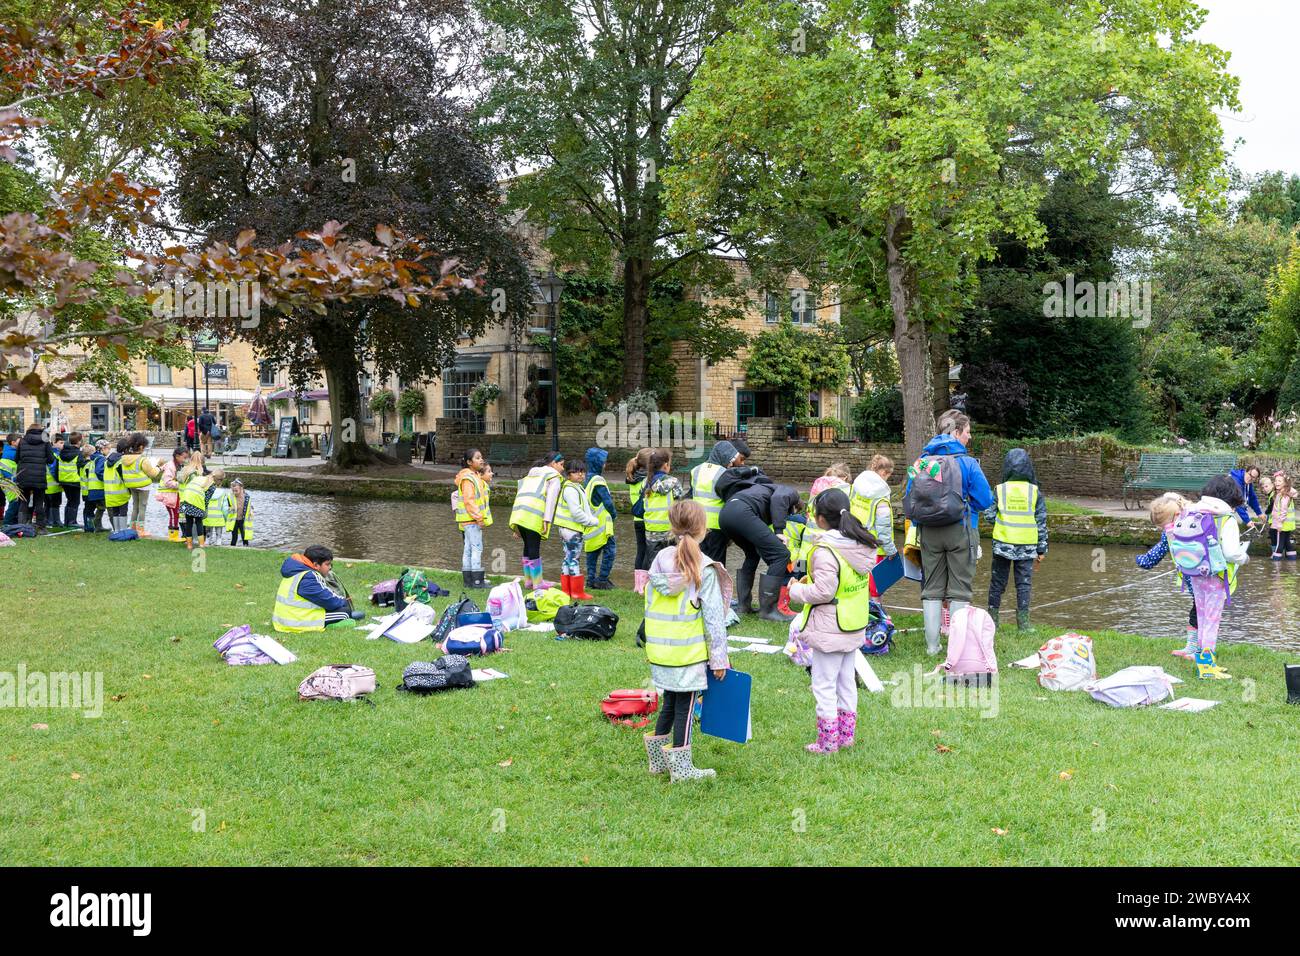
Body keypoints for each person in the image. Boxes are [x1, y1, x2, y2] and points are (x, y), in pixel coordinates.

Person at [642, 500, 732, 782]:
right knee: (686, 706)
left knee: (670, 701)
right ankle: (682, 768)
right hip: (689, 653)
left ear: (672, 526)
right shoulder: (703, 568)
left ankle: (658, 761)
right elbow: (714, 620)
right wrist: (719, 659)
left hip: (660, 652)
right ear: (703, 529)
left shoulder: (658, 561)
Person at [786, 488, 877, 754]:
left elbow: (824, 592)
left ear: (820, 518)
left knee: (824, 684)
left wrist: (795, 591)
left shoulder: (826, 550)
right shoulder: (861, 545)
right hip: (853, 622)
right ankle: (846, 736)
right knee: (846, 681)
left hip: (830, 626)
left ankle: (827, 743)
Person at [905, 410, 994, 655]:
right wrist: (966, 506)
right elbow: (985, 499)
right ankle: (957, 648)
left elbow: (910, 498)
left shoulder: (922, 461)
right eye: (967, 432)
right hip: (961, 529)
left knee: (932, 588)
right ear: (956, 432)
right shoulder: (967, 463)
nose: (969, 437)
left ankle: (932, 647)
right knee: (960, 589)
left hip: (929, 532)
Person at [1178, 476, 1250, 678]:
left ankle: (1202, 660)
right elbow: (1231, 553)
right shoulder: (1226, 519)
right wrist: (1244, 557)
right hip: (1216, 576)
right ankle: (1207, 669)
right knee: (1211, 620)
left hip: (1194, 572)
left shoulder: (1193, 512)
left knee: (1202, 617)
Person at [716, 468, 802, 622]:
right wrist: (779, 530)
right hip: (742, 512)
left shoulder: (760, 492)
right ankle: (769, 611)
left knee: (752, 554)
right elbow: (779, 499)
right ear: (795, 505)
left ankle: (744, 606)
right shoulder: (789, 492)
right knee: (781, 555)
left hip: (726, 514)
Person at [981, 448, 1048, 630]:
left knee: (997, 583)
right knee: (1023, 584)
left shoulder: (1000, 490)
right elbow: (1041, 523)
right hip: (1027, 546)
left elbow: (988, 516)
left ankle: (992, 621)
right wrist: (1041, 550)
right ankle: (1024, 624)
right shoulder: (1035, 492)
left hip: (1002, 545)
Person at [1135, 492, 1198, 657]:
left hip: (1207, 579)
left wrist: (1144, 561)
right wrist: (1144, 561)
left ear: (1176, 515)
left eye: (1163, 526)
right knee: (1196, 612)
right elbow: (1160, 549)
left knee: (1203, 614)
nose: (1163, 530)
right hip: (1192, 580)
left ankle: (1201, 650)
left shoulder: (1196, 523)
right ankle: (1192, 647)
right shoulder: (1171, 530)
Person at [272, 545, 365, 632]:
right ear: (316, 565)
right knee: (345, 612)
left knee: (341, 607)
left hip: (287, 619)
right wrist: (344, 602)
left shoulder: (297, 570)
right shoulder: (309, 577)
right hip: (295, 622)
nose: (330, 568)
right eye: (327, 564)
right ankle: (333, 625)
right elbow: (329, 601)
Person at [508, 452, 565, 591]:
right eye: (561, 465)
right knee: (534, 547)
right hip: (534, 516)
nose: (563, 468)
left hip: (519, 513)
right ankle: (538, 582)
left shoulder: (531, 474)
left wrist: (516, 525)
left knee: (527, 546)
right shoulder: (553, 477)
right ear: (553, 464)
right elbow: (551, 500)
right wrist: (547, 520)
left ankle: (528, 580)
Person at [690, 439, 749, 563]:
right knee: (716, 564)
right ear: (724, 456)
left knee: (699, 561)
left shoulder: (695, 470)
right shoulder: (724, 473)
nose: (730, 463)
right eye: (730, 459)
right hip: (716, 525)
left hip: (697, 523)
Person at [850, 455, 897, 594]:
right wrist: (891, 550)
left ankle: (862, 612)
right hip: (875, 547)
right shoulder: (881, 497)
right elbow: (883, 529)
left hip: (855, 541)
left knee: (858, 585)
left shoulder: (856, 487)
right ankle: (876, 613)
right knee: (875, 588)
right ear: (883, 473)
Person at [555, 459, 600, 599]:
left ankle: (567, 591)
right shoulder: (571, 489)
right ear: (568, 475)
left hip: (567, 528)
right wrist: (592, 521)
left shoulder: (573, 487)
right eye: (575, 472)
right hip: (571, 529)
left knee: (568, 558)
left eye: (582, 471)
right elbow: (576, 512)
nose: (580, 475)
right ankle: (576, 592)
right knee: (574, 558)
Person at [453, 448, 492, 589]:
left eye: (481, 457)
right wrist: (479, 518)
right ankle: (477, 581)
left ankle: (469, 581)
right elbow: (470, 501)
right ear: (469, 462)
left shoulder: (473, 476)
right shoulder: (469, 478)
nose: (481, 460)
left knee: (468, 549)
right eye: (477, 458)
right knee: (476, 549)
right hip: (471, 520)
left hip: (467, 520)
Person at [642, 449, 687, 570]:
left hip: (651, 530)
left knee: (653, 564)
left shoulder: (646, 483)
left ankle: (651, 587)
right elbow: (680, 506)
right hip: (669, 530)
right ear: (666, 465)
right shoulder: (673, 482)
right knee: (671, 563)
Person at [583, 447, 618, 590]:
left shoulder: (587, 479)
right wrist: (614, 514)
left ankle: (590, 580)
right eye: (603, 462)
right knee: (610, 551)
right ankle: (602, 579)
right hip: (602, 526)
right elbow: (607, 502)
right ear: (597, 463)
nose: (605, 465)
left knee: (592, 553)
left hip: (590, 525)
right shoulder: (598, 480)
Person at [15, 423, 55, 531]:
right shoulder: (45, 441)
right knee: (39, 502)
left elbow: (16, 458)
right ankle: (41, 527)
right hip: (39, 475)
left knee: (23, 501)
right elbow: (51, 459)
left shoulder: (22, 440)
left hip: (23, 475)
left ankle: (21, 526)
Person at [120, 433, 162, 536]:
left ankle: (132, 528)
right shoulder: (142, 459)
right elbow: (152, 473)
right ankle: (141, 530)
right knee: (143, 506)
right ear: (141, 446)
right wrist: (159, 466)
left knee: (135, 506)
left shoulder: (125, 458)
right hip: (143, 485)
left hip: (131, 485)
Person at [626, 447, 653, 593]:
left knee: (640, 550)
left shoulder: (632, 477)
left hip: (637, 519)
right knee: (648, 552)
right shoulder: (647, 480)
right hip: (647, 519)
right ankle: (644, 586)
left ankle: (637, 586)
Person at [155, 447, 189, 541]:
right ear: (177, 456)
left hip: (173, 495)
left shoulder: (175, 464)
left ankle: (174, 535)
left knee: (175, 514)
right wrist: (181, 484)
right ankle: (173, 536)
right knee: (174, 515)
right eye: (184, 457)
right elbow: (167, 482)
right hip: (168, 495)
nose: (185, 460)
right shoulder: (171, 466)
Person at [177, 451, 210, 549]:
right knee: (199, 522)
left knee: (188, 522)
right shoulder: (198, 472)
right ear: (202, 462)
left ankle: (189, 544)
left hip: (185, 499)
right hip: (196, 500)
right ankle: (201, 543)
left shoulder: (185, 470)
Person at [100, 438, 132, 533]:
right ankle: (123, 531)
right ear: (126, 450)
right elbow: (125, 478)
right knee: (123, 512)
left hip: (110, 493)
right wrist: (130, 490)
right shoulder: (121, 462)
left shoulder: (107, 461)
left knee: (115, 512)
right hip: (121, 492)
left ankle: (116, 531)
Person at [55, 431, 85, 528]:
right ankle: (72, 522)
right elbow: (81, 466)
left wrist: (58, 479)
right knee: (75, 502)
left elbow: (57, 467)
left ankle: (67, 521)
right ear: (79, 442)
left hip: (64, 480)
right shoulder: (78, 453)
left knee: (69, 500)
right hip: (74, 480)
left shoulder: (62, 452)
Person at [80, 440, 108, 532]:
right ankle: (91, 526)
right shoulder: (92, 463)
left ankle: (89, 526)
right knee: (93, 509)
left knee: (88, 510)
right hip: (92, 489)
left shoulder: (85, 464)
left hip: (86, 491)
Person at [1268, 473, 1295, 560]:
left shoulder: (1283, 496)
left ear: (1285, 483)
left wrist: (1279, 524)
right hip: (1287, 525)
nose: (1276, 482)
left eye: (1279, 481)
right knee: (1287, 543)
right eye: (1275, 481)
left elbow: (1283, 511)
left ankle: (1275, 566)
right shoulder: (1286, 493)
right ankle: (1292, 563)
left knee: (1279, 545)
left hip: (1282, 525)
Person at [203, 469, 230, 545]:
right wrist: (225, 517)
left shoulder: (207, 491)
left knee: (208, 532)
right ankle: (218, 541)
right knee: (219, 533)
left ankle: (207, 541)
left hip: (208, 517)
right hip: (219, 517)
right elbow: (225, 508)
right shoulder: (223, 493)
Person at [43, 437, 64, 528]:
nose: (62, 444)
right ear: (53, 443)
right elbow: (53, 470)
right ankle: (55, 521)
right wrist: (59, 480)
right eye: (61, 442)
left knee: (47, 503)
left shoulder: (47, 453)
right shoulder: (55, 455)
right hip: (54, 484)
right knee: (55, 503)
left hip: (46, 484)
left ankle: (48, 520)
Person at [226, 477, 254, 546]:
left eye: (236, 490)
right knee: (234, 536)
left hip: (243, 520)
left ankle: (246, 545)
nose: (234, 492)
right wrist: (229, 509)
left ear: (241, 488)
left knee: (244, 535)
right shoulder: (231, 497)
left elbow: (251, 506)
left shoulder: (246, 497)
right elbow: (227, 506)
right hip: (234, 520)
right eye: (233, 491)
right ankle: (232, 546)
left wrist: (251, 511)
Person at [1, 432, 20, 524]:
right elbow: (6, 472)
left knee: (16, 502)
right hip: (9, 482)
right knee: (14, 502)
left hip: (11, 481)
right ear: (13, 442)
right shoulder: (11, 454)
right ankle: (7, 523)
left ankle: (12, 522)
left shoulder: (10, 452)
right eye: (19, 441)